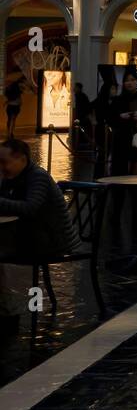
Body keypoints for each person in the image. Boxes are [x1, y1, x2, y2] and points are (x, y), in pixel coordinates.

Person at [0, 138, 81, 334]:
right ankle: (6, 311)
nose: (1, 167)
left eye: (4, 162)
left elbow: (30, 208)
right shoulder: (12, 177)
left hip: (50, 240)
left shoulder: (37, 177)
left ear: (22, 159)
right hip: (30, 234)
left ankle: (8, 311)